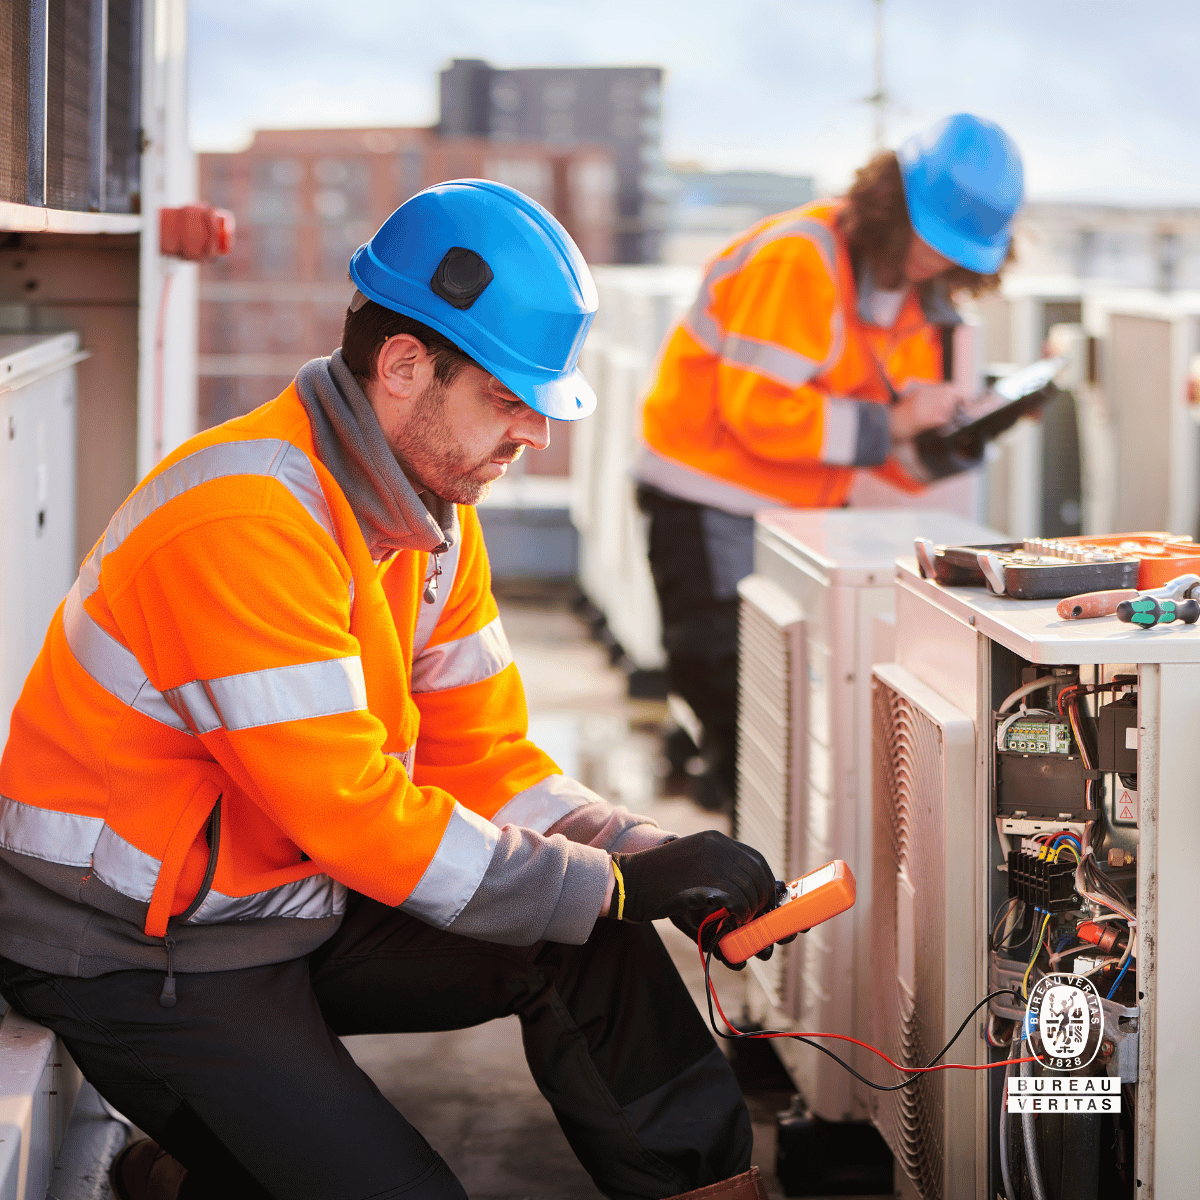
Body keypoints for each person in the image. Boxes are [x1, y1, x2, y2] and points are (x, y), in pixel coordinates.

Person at [0, 181, 781, 1200]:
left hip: (294, 899)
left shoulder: (431, 516)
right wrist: (615, 882)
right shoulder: (246, 521)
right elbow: (355, 812)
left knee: (597, 938)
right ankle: (187, 1179)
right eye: (509, 398)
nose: (536, 436)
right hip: (142, 953)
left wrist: (642, 854)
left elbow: (481, 757)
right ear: (405, 366)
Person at [636, 114, 1024, 809]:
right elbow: (758, 411)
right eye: (929, 241)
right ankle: (729, 820)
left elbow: (882, 451)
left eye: (952, 252)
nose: (934, 262)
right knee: (729, 685)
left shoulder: (908, 299)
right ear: (891, 204)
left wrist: (960, 437)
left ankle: (735, 806)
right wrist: (895, 423)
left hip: (798, 512)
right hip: (708, 497)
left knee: (772, 705)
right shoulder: (799, 258)